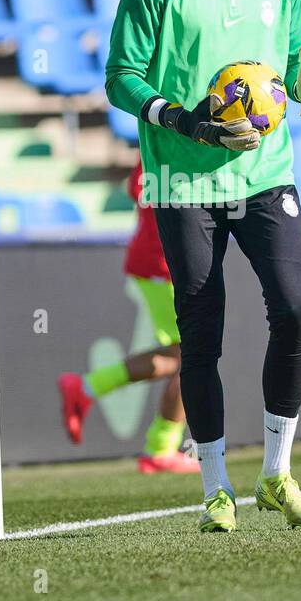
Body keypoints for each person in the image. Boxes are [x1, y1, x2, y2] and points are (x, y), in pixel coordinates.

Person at [104, 0, 301, 532]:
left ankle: (276, 474)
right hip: (181, 181)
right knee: (201, 333)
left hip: (266, 175)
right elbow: (121, 76)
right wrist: (180, 119)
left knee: (295, 309)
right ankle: (214, 486)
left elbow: (296, 64)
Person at [57, 159, 197, 474]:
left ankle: (86, 388)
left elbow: (137, 190)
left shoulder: (155, 145)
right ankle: (161, 449)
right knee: (194, 354)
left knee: (179, 354)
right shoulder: (172, 146)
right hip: (165, 265)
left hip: (154, 260)